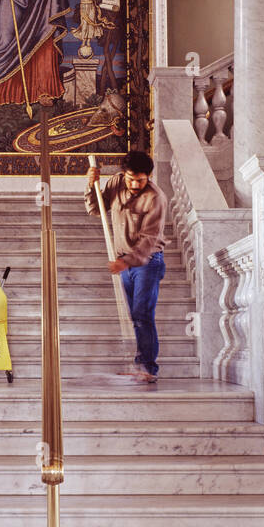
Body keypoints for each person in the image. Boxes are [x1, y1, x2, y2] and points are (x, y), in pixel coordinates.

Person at [85, 151, 167, 382]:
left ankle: (148, 368)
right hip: (124, 262)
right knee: (134, 316)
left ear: (148, 177)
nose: (134, 184)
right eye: (130, 178)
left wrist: (125, 262)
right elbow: (94, 209)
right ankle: (140, 365)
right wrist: (91, 185)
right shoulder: (117, 183)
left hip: (147, 262)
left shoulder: (155, 198)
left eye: (140, 180)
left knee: (142, 314)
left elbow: (149, 240)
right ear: (124, 174)